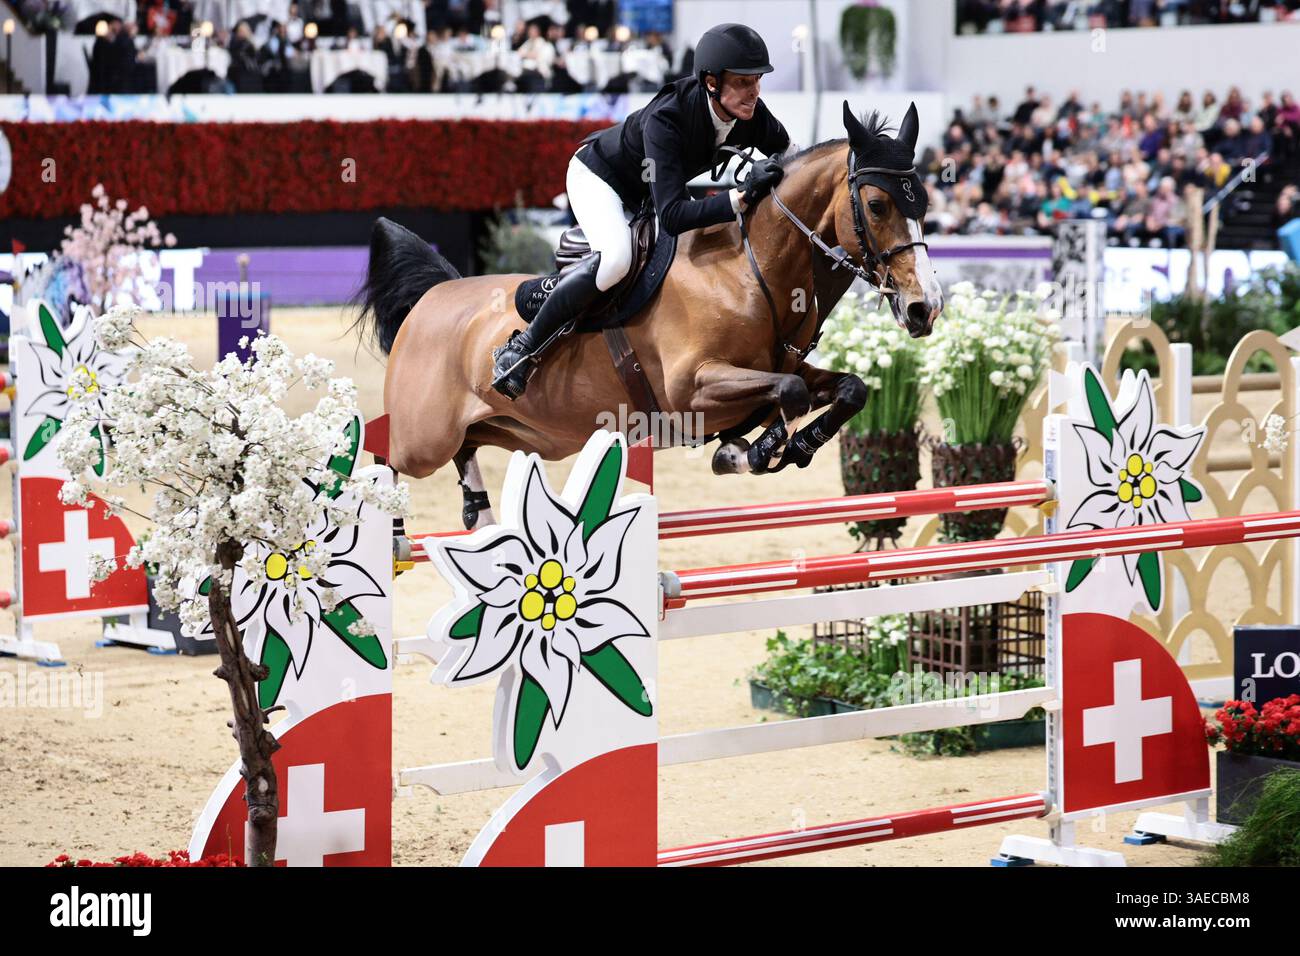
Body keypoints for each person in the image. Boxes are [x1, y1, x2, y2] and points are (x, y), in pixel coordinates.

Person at [489, 23, 791, 400]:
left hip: (647, 193)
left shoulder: (751, 113)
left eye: (757, 80)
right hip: (599, 178)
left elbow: (789, 155)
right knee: (617, 258)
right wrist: (741, 196)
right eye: (744, 81)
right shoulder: (668, 119)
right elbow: (674, 217)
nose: (755, 91)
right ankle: (521, 351)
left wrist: (776, 170)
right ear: (712, 82)